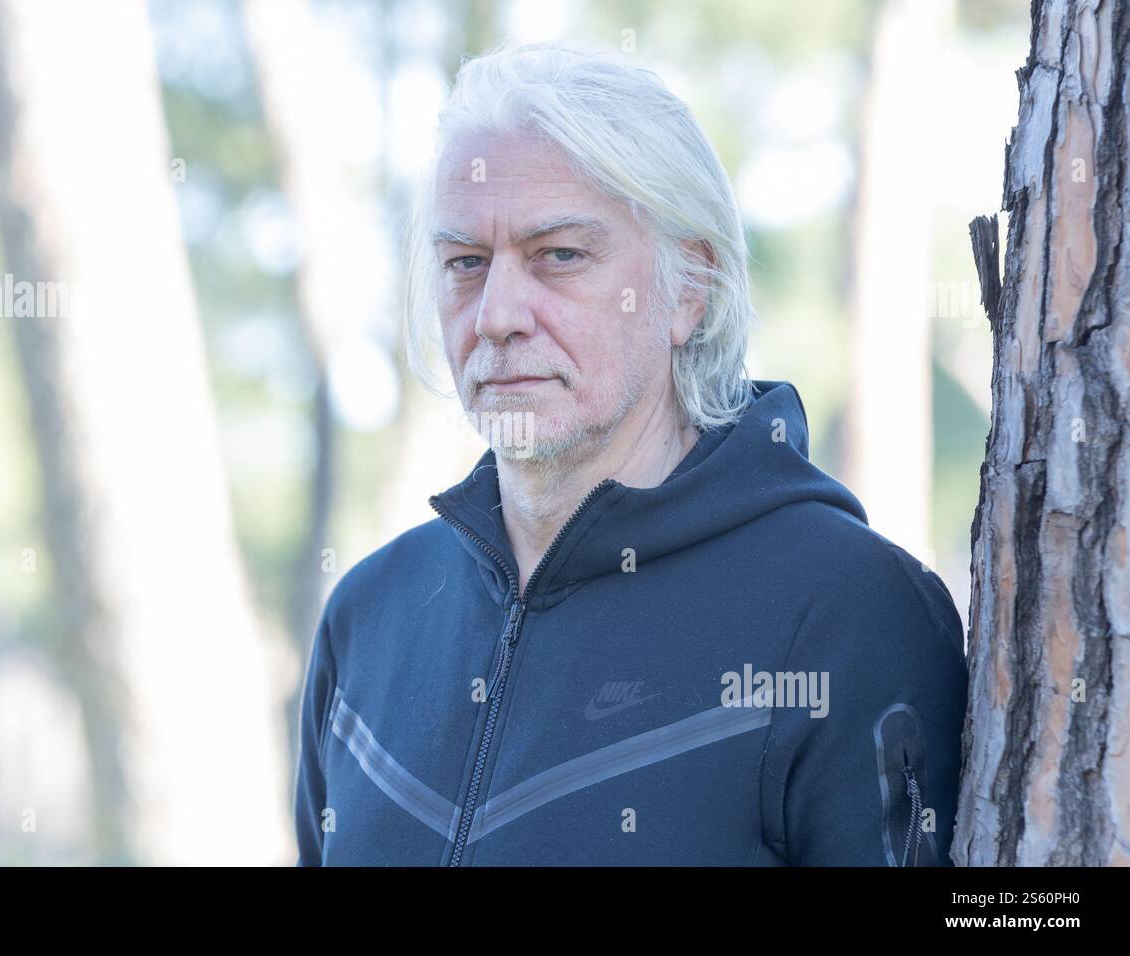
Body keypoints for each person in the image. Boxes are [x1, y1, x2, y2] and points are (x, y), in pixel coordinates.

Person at [293, 39, 967, 866]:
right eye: (465, 263)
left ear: (692, 288)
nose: (498, 312)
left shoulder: (847, 613)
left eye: (560, 256)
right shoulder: (368, 619)